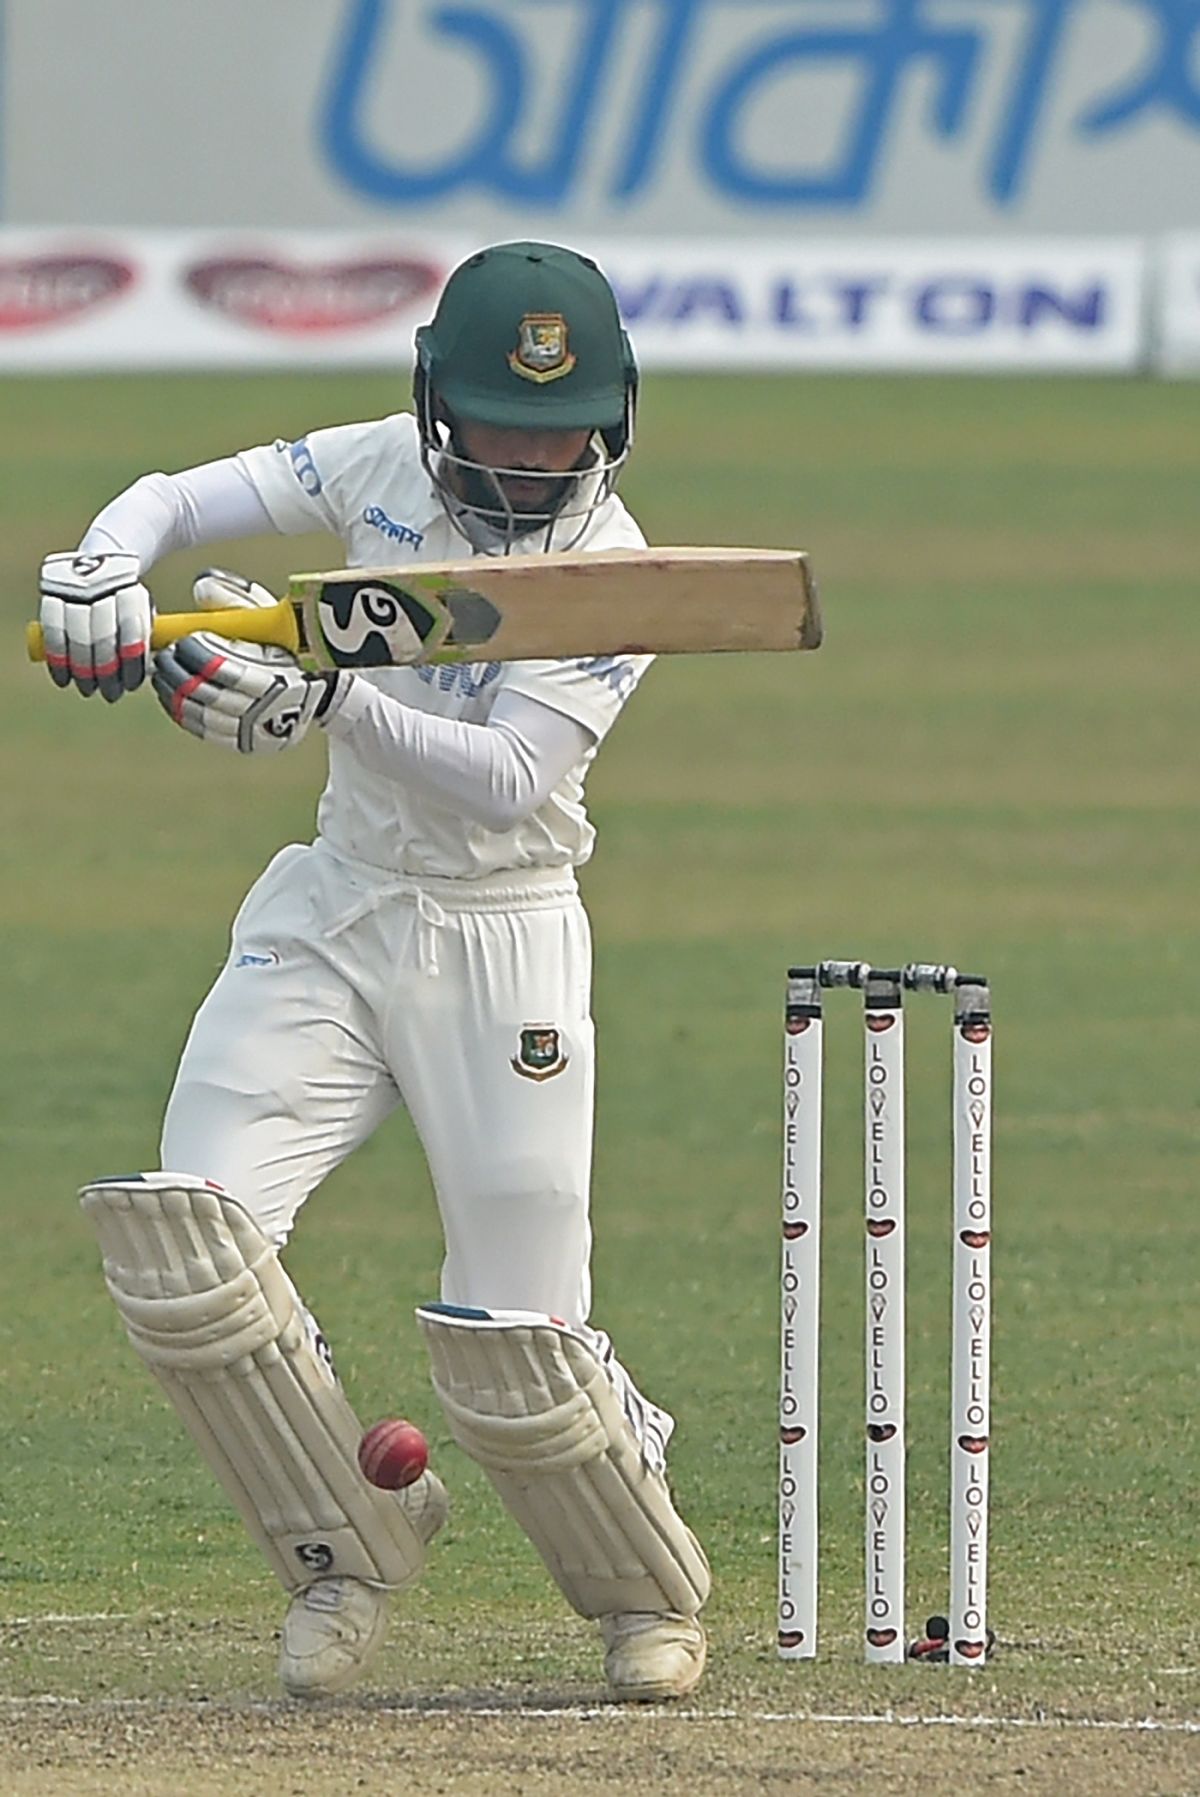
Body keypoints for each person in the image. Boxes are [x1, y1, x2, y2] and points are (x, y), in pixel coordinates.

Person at [39, 241, 710, 1702]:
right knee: (187, 1250)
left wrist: (328, 699)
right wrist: (102, 561)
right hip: (338, 903)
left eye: (564, 425)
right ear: (433, 405)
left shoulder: (615, 570)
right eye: (500, 419)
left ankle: (640, 1597)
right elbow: (182, 498)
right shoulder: (377, 467)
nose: (533, 457)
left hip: (505, 927)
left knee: (517, 1345)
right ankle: (347, 1551)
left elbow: (508, 775)